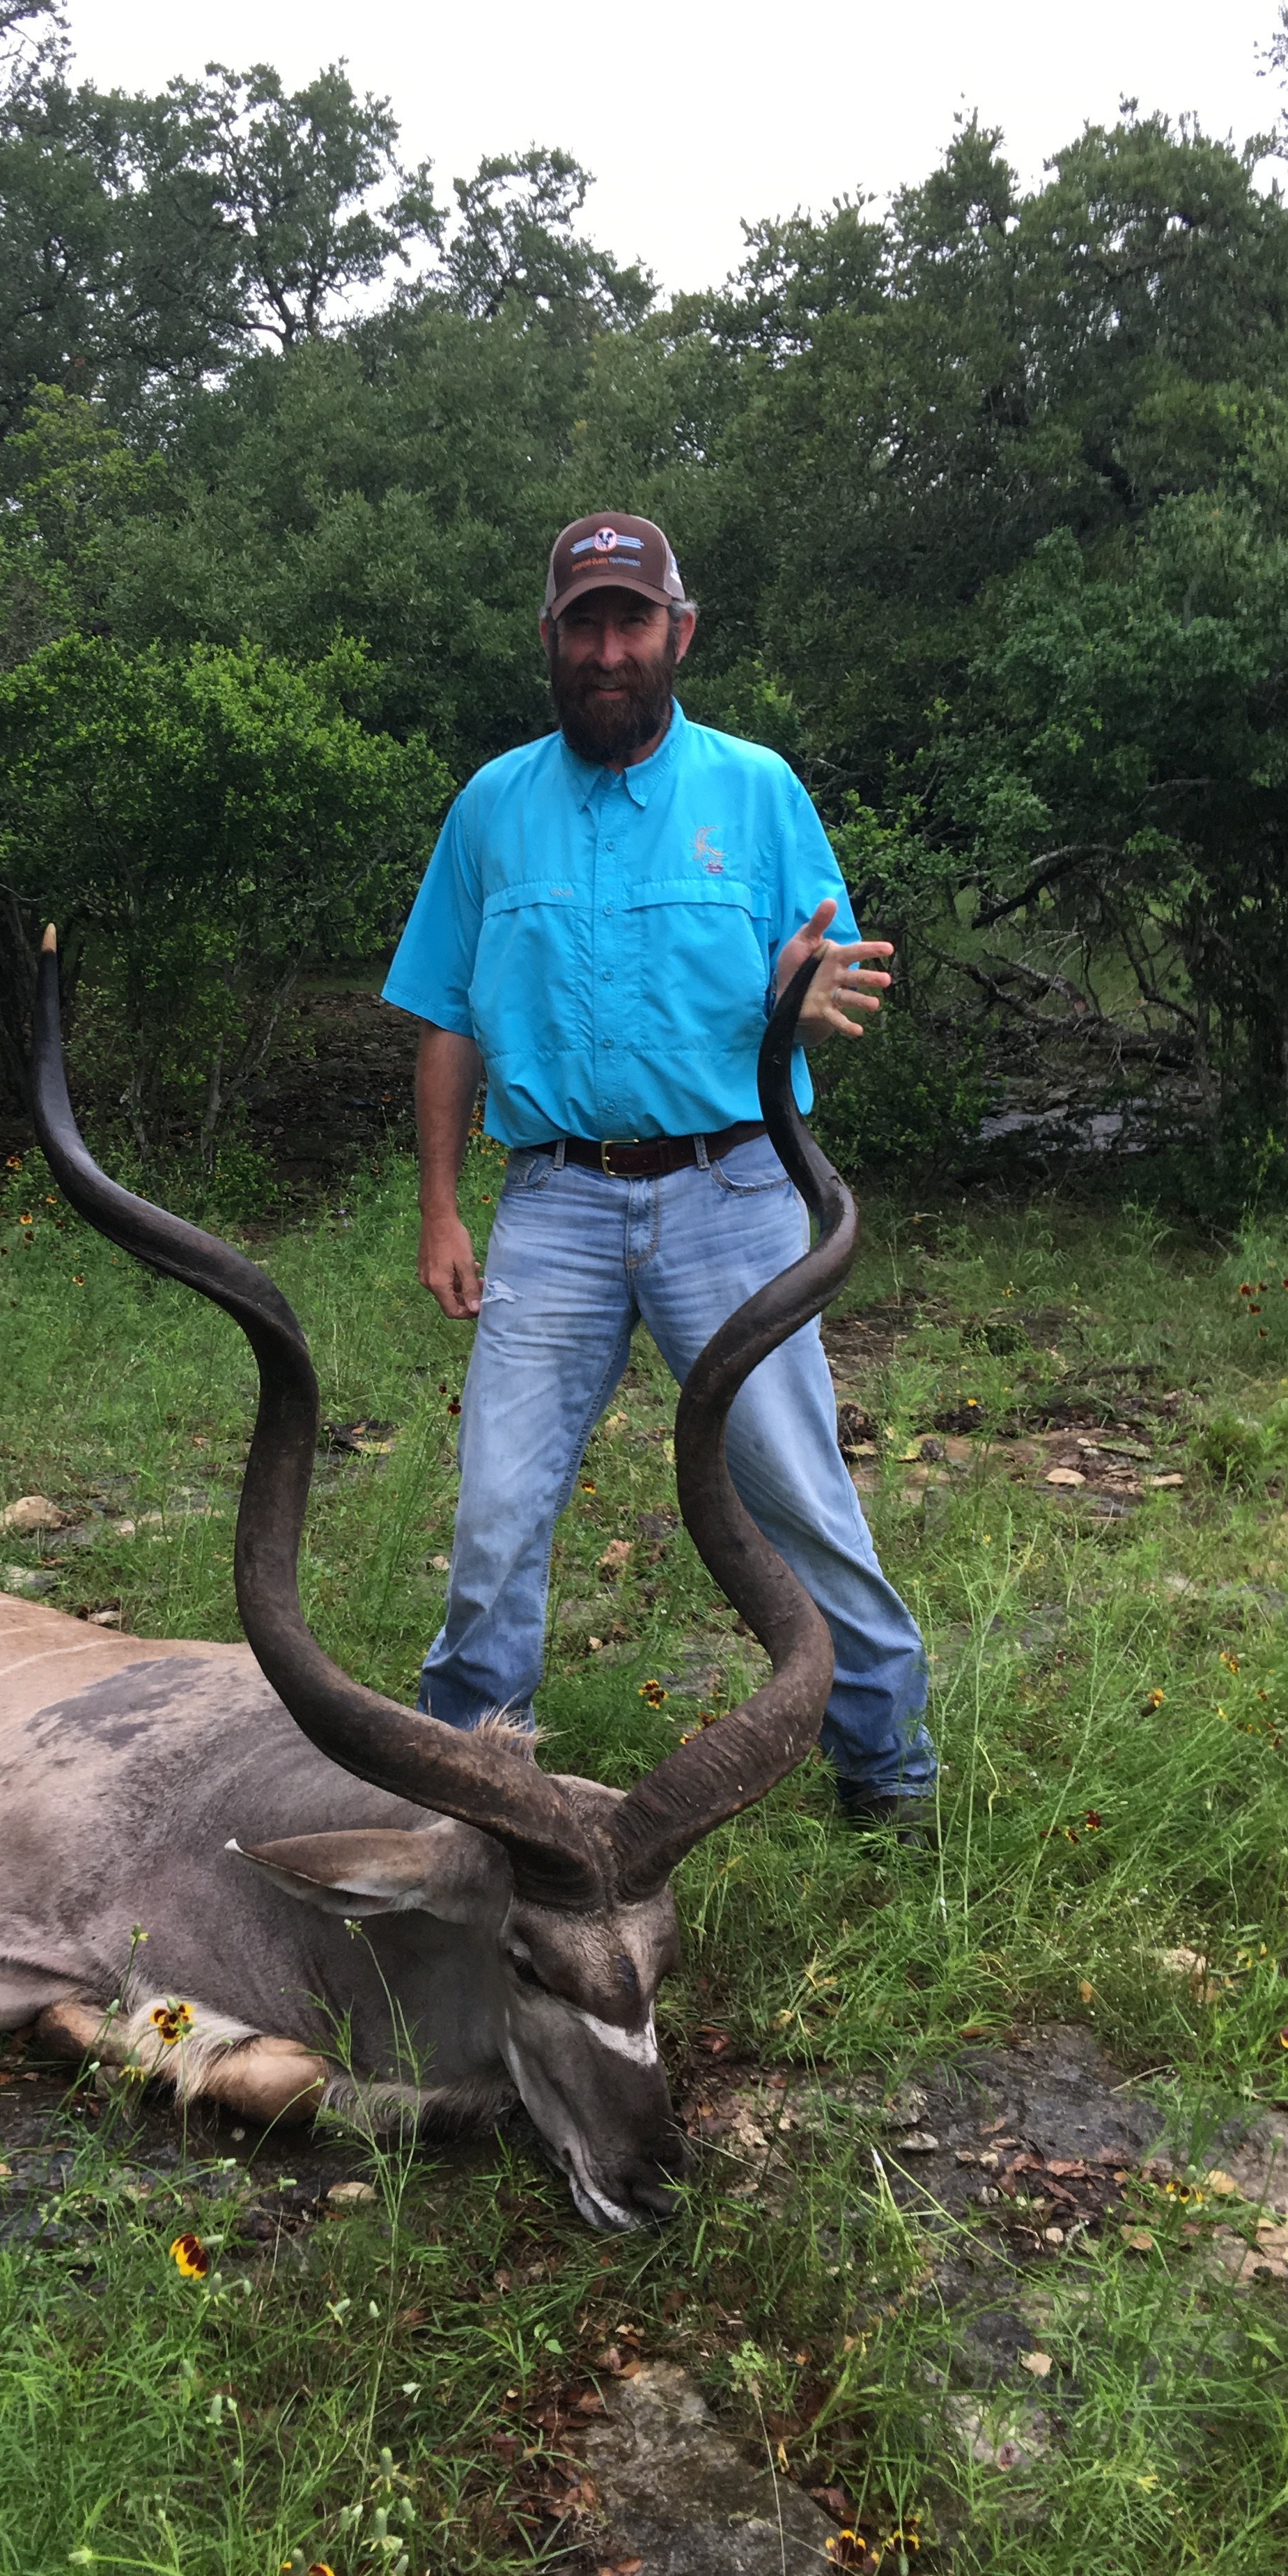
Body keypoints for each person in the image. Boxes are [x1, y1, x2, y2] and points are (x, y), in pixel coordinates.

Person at [381, 510, 936, 1837]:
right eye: (587, 624)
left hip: (733, 1196)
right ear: (551, 641)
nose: (611, 649)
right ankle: (474, 1792)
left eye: (634, 621)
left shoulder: (756, 789)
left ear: (679, 631)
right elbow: (447, 1017)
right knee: (497, 1516)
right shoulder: (491, 808)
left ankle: (889, 1772)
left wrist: (803, 998)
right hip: (554, 1205)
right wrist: (442, 1205)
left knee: (797, 1496)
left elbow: (824, 965)